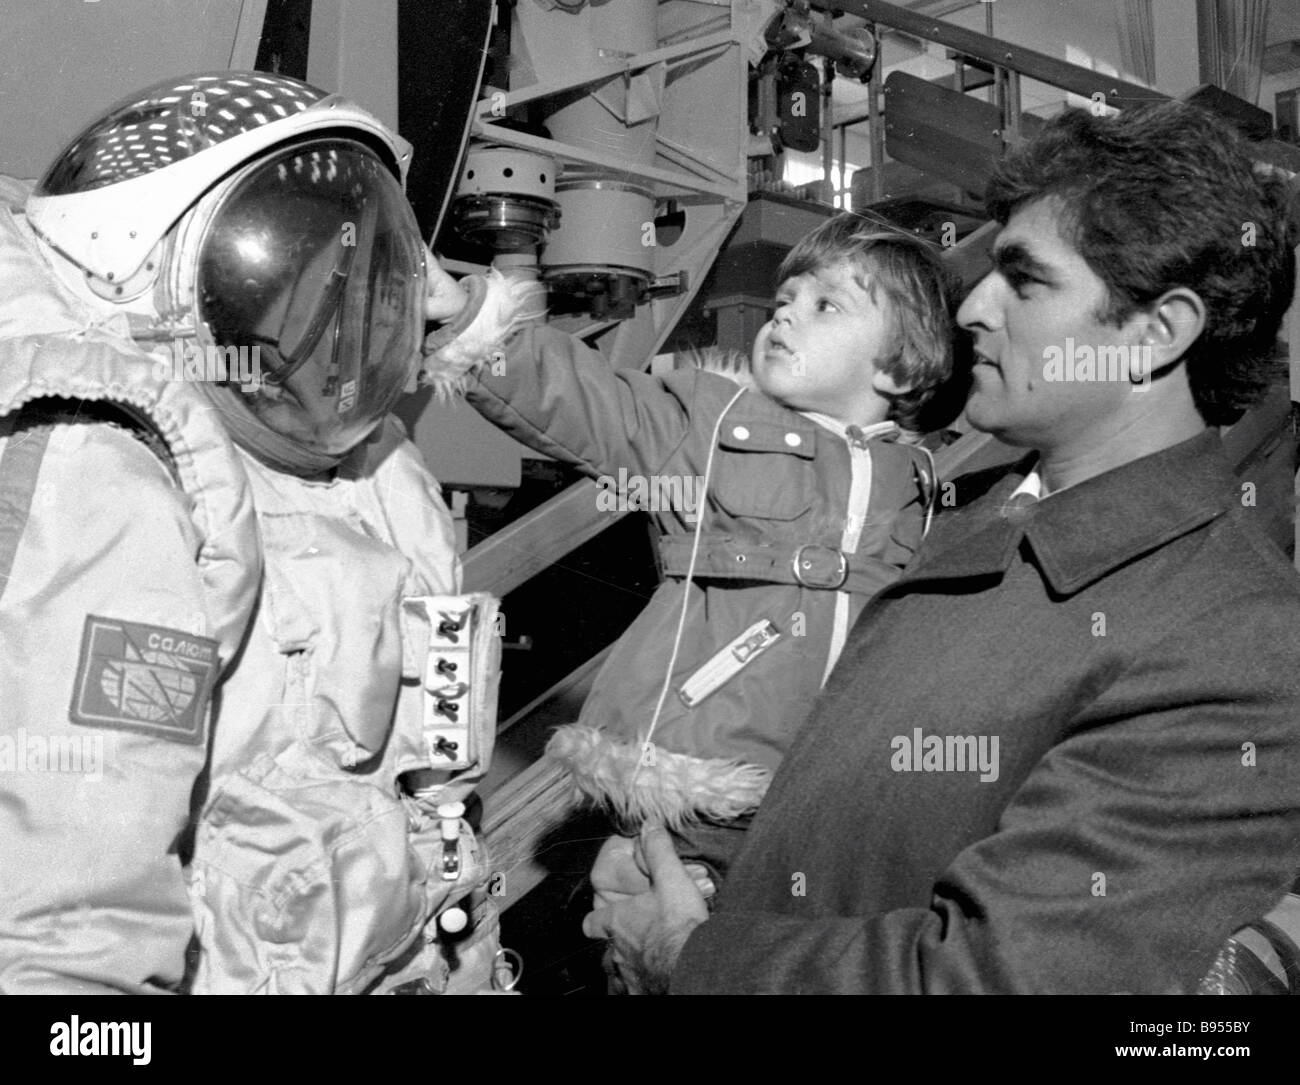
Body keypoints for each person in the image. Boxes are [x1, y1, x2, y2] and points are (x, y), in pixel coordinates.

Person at [580, 100, 1300, 994]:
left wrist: (689, 958)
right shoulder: (966, 526)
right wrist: (698, 884)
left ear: (1157, 334)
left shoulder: (1232, 640)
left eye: (1024, 281)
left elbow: (994, 980)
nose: (973, 308)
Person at [0, 71, 514, 994]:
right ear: (149, 277)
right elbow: (67, 935)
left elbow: (427, 793)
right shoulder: (117, 479)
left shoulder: (380, 475)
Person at [421, 213, 958, 885]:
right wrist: (468, 315)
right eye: (784, 301)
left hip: (830, 798)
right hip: (700, 792)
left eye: (825, 305)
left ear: (903, 367)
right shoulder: (712, 424)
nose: (785, 317)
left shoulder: (915, 481)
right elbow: (596, 403)